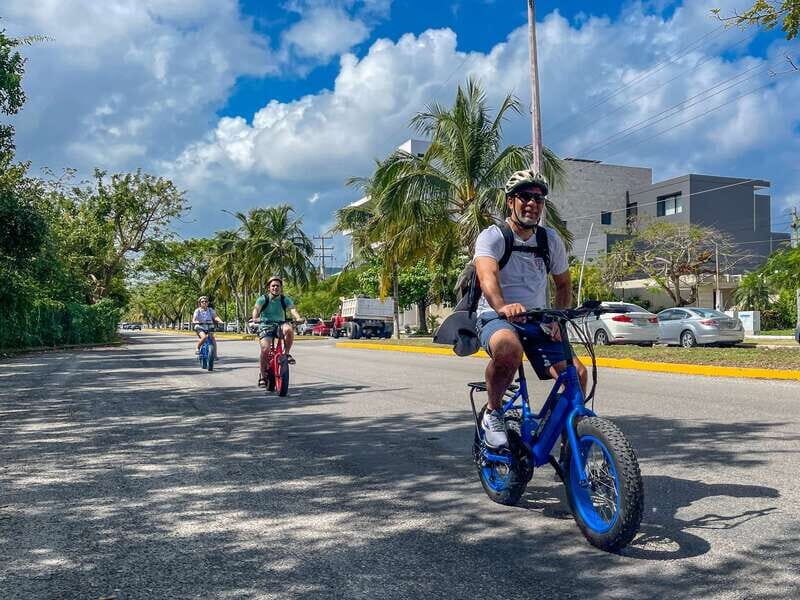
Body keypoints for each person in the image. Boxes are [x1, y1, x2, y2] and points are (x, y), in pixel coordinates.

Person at [474, 170, 588, 448]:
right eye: (525, 196)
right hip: (495, 316)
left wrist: (557, 321)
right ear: (510, 202)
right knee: (508, 350)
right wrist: (502, 306)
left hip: (537, 319)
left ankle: (562, 432)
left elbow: (563, 286)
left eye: (538, 198)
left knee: (578, 375)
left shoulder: (550, 240)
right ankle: (493, 412)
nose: (532, 203)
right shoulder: (493, 237)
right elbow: (487, 277)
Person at [252, 276, 303, 367]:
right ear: (269, 288)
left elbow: (293, 310)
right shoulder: (263, 299)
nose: (275, 288)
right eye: (273, 286)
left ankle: (286, 354)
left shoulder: (285, 299)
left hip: (280, 325)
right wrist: (255, 318)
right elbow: (256, 309)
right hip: (265, 326)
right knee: (265, 350)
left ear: (280, 288)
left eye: (278, 286)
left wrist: (298, 318)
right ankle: (263, 377)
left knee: (289, 329)